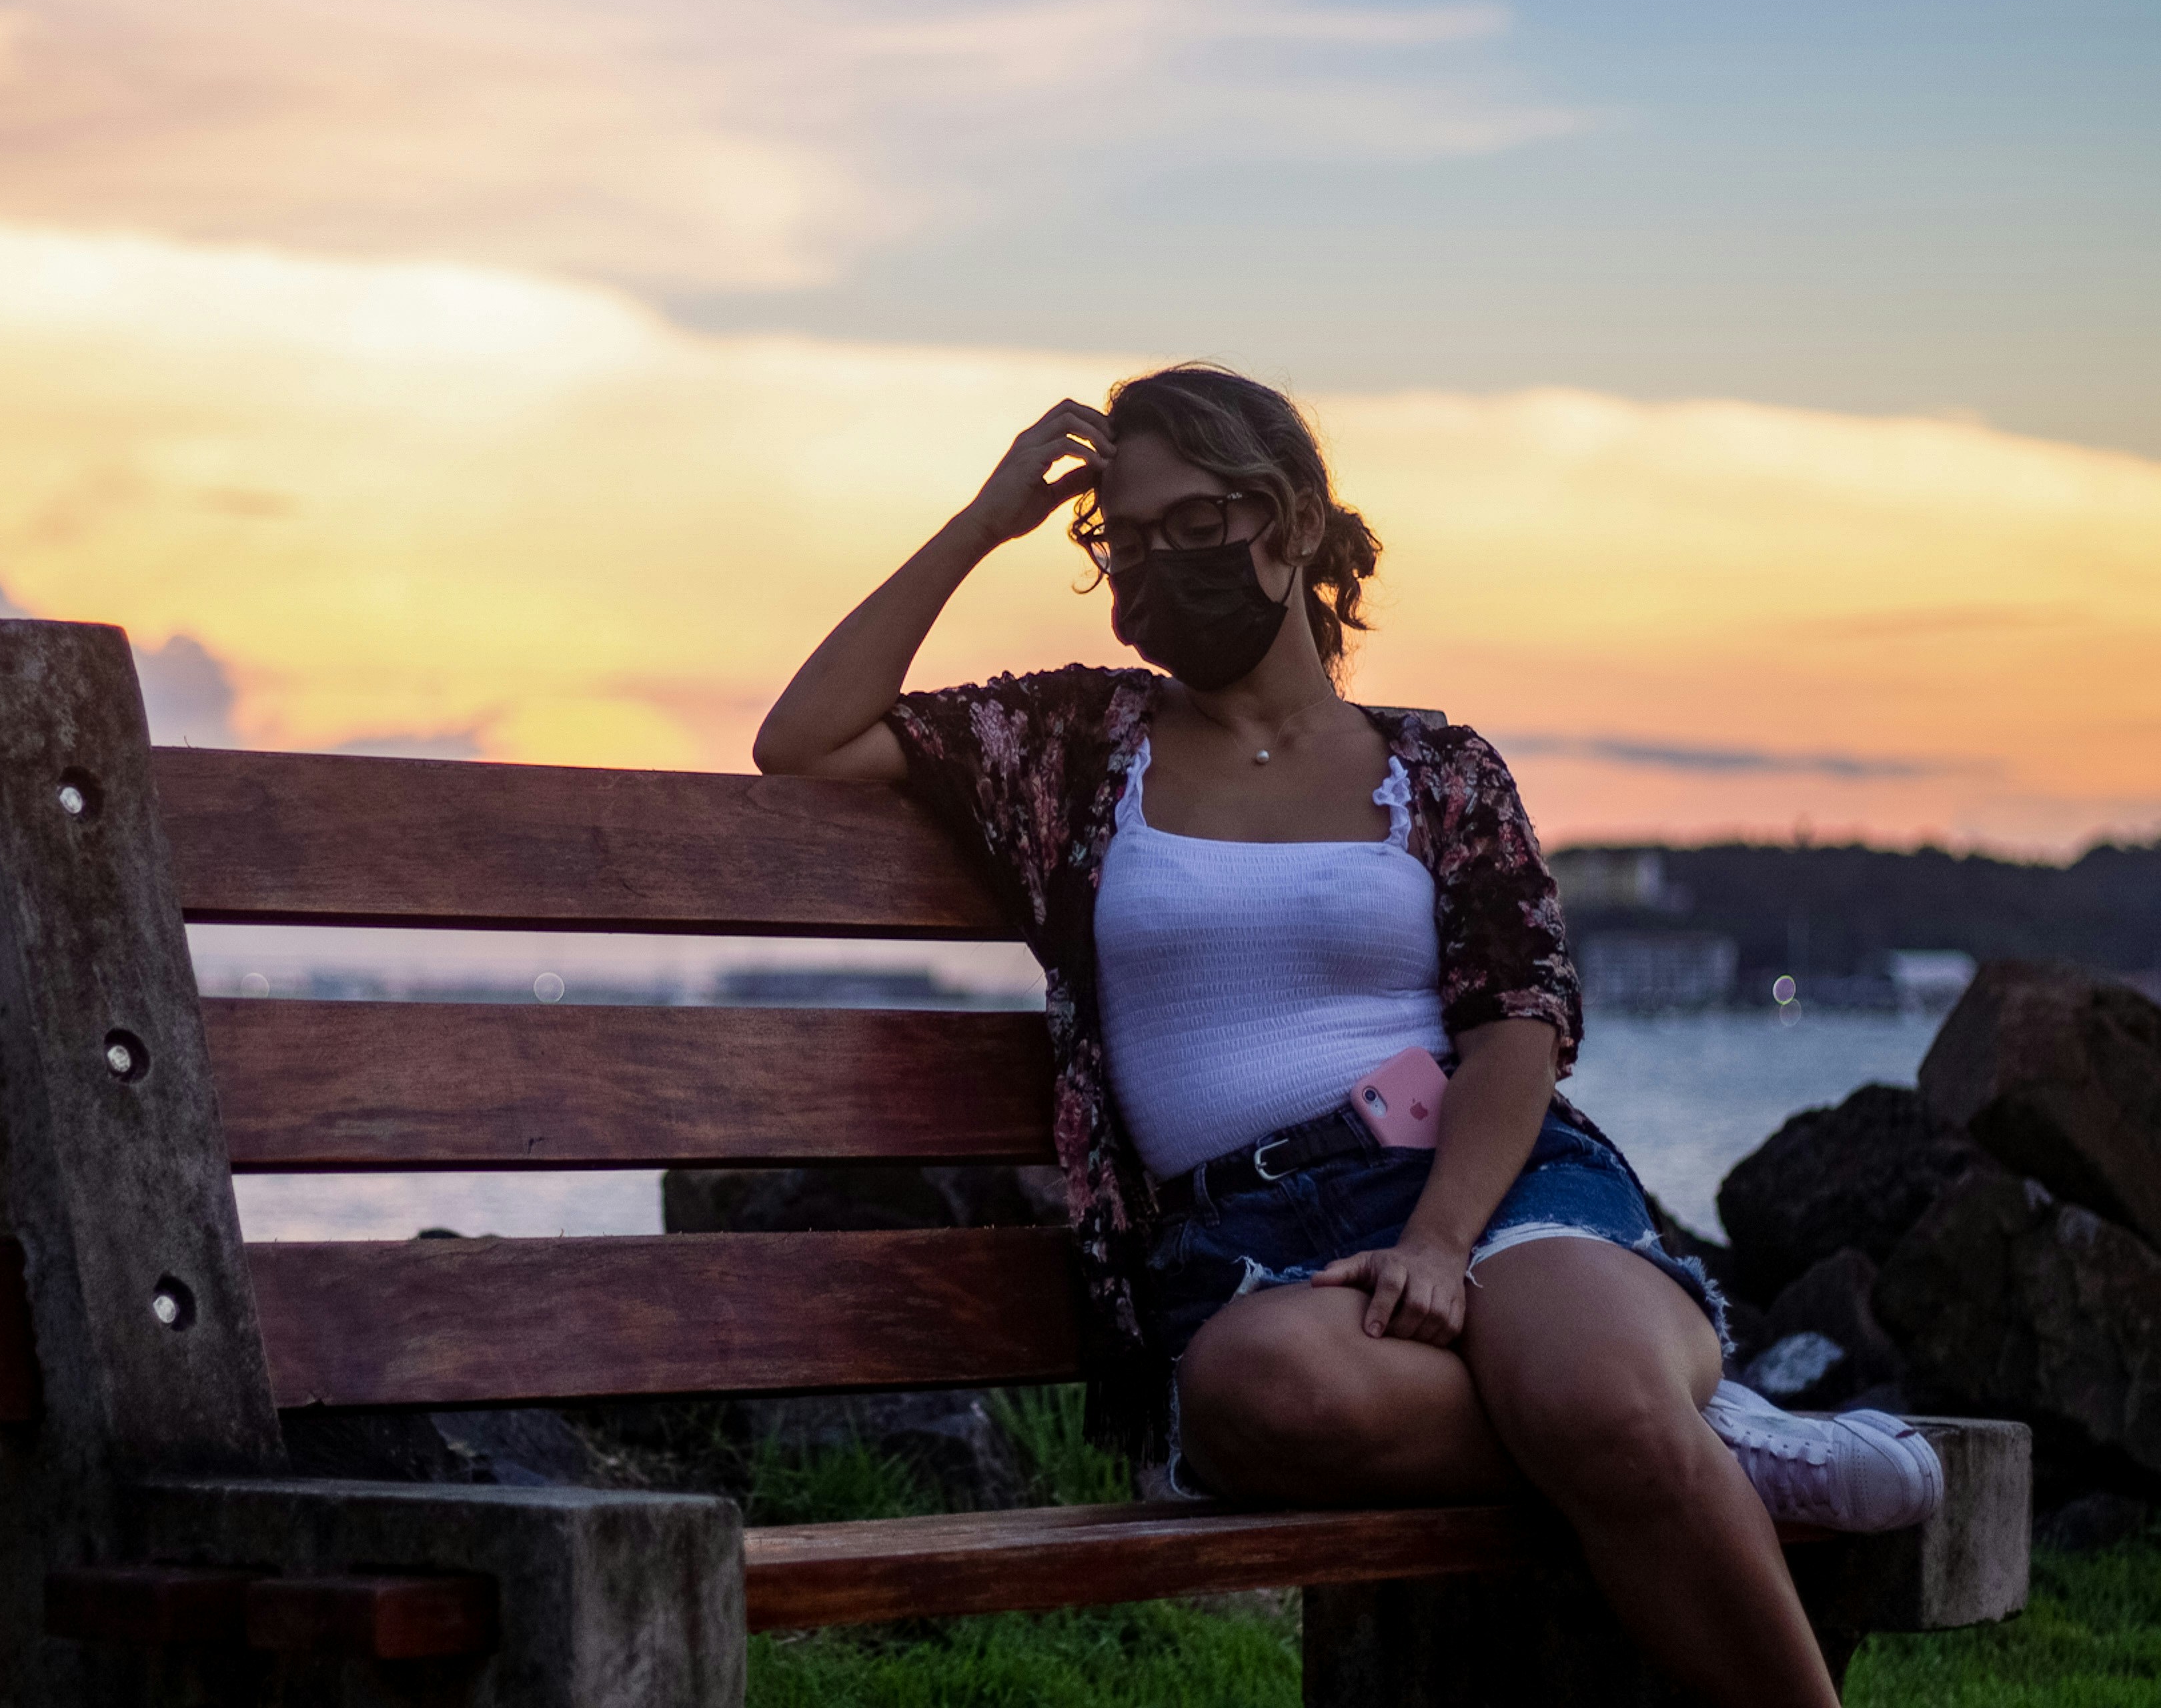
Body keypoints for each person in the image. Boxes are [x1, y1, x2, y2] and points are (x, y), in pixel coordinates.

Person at [752, 364, 1943, 1707]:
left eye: (1190, 524)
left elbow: (1520, 1023)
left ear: (1291, 520)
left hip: (1489, 1184)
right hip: (1251, 1242)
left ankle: (1634, 1421)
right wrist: (981, 522)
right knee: (1266, 1396)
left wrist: (1439, 1242)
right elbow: (802, 739)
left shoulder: (1439, 769)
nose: (1151, 566)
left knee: (1595, 1401)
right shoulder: (1080, 744)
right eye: (1122, 541)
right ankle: (1691, 1436)